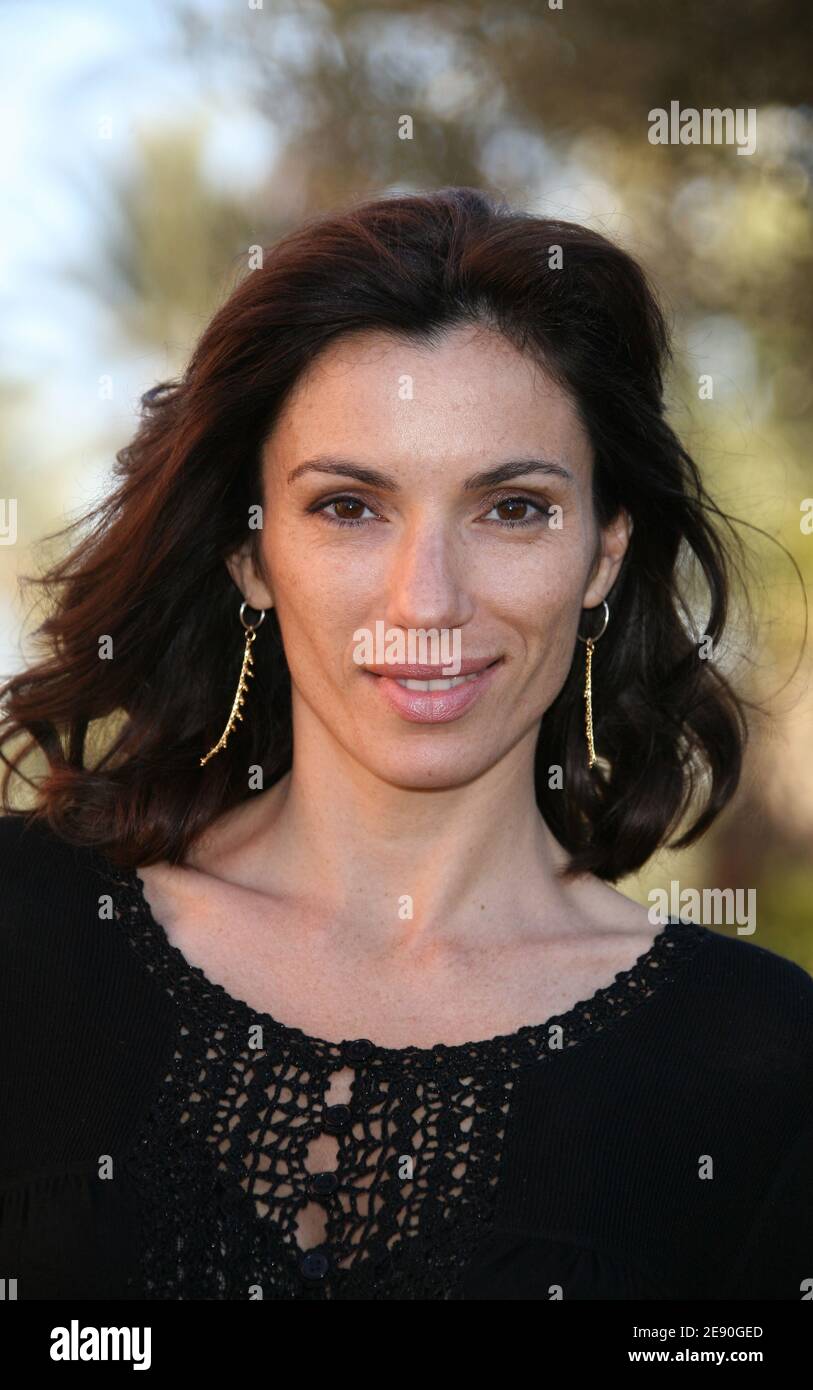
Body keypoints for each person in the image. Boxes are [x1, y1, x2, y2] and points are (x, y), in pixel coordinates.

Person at [0, 187, 810, 1301]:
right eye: (348, 506)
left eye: (512, 508)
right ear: (250, 553)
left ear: (605, 555)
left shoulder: (765, 1062)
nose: (425, 600)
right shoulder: (24, 927)